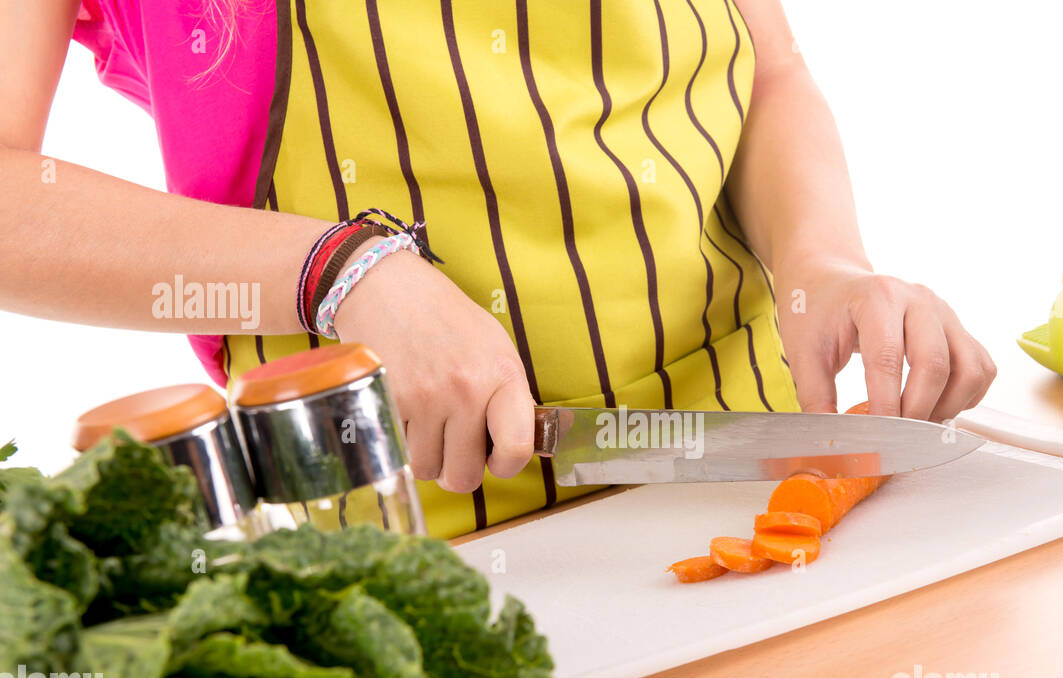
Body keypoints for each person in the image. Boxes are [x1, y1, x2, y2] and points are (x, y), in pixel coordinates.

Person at [1, 0, 995, 538]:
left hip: (769, 473)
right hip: (415, 552)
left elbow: (765, 67)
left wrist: (822, 263)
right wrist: (343, 270)